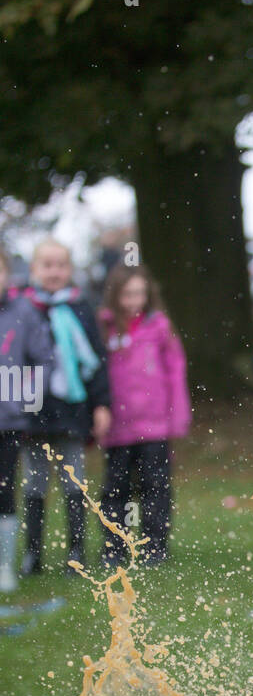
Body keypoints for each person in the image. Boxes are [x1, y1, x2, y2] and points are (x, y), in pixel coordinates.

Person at [17, 239, 111, 575]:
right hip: (33, 409)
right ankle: (33, 555)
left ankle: (76, 553)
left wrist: (102, 404)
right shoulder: (20, 309)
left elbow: (96, 360)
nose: (54, 272)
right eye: (47, 265)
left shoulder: (81, 308)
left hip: (73, 410)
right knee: (35, 484)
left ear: (70, 270)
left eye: (60, 265)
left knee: (75, 483)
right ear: (33, 270)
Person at [97, 264, 191, 567]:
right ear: (115, 296)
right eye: (127, 294)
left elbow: (175, 373)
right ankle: (115, 547)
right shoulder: (104, 327)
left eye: (139, 293)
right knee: (115, 490)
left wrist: (177, 417)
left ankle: (154, 547)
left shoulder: (159, 326)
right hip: (117, 426)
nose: (133, 300)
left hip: (155, 425)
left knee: (156, 487)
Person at [0, 249, 55, 591]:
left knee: (4, 495)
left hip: (9, 423)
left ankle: (4, 567)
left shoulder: (24, 314)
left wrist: (23, 402)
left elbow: (44, 361)